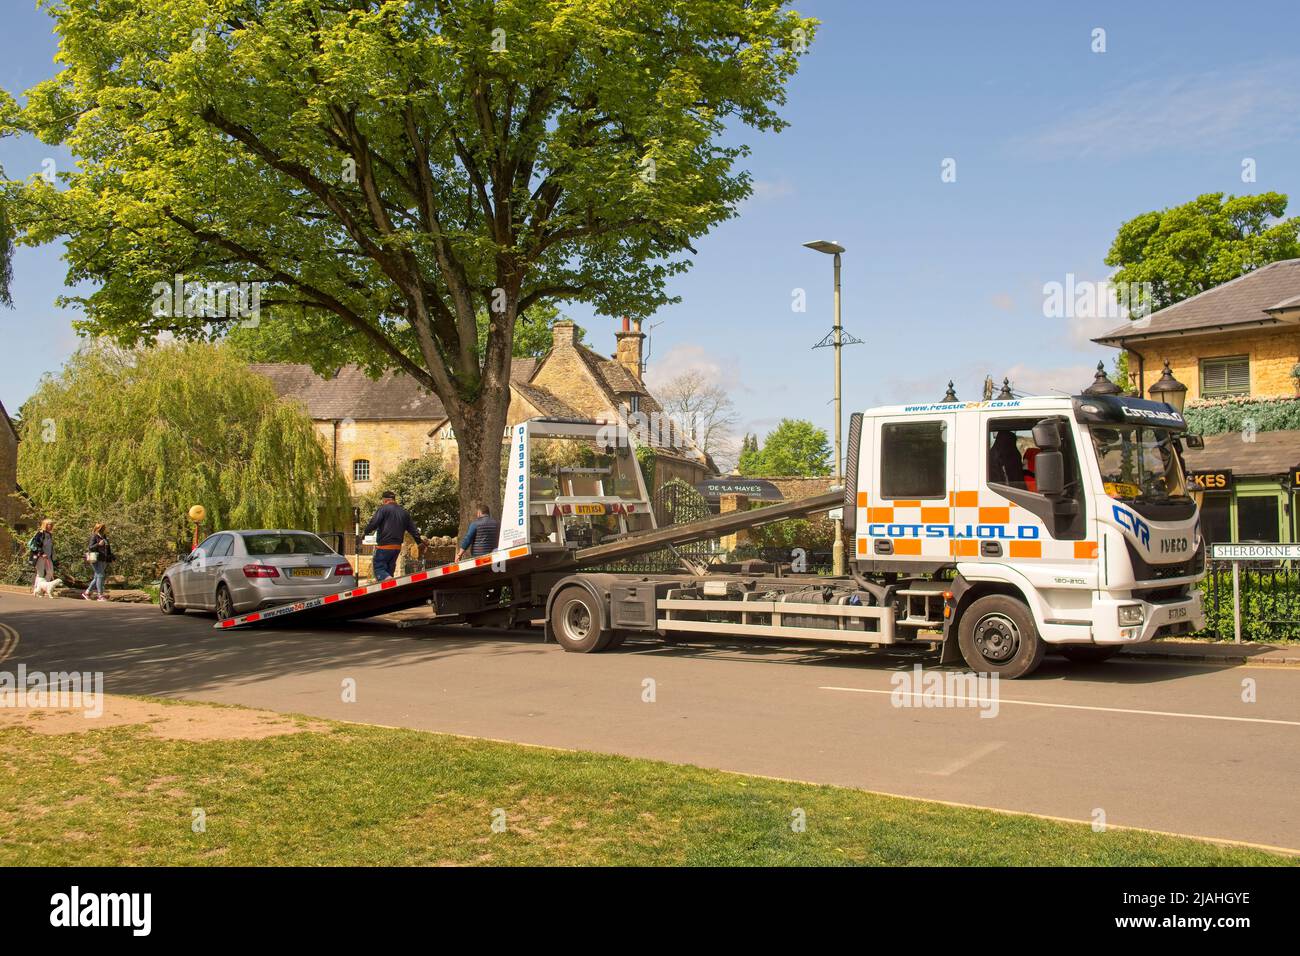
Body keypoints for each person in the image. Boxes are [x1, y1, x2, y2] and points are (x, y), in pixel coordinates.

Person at [363, 490, 423, 581]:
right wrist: (419, 542)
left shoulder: (383, 509)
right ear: (394, 499)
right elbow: (413, 530)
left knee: (379, 569)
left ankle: (391, 581)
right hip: (397, 548)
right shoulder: (404, 512)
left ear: (385, 500)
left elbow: (374, 523)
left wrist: (365, 532)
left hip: (384, 546)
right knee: (389, 571)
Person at [84, 523, 115, 601]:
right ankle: (100, 595)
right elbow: (90, 547)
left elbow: (108, 549)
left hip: (104, 559)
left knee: (97, 577)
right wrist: (98, 544)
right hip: (96, 559)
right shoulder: (94, 536)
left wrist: (112, 557)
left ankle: (87, 593)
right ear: (98, 529)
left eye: (104, 528)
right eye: (102, 528)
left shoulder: (104, 537)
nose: (104, 530)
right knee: (100, 575)